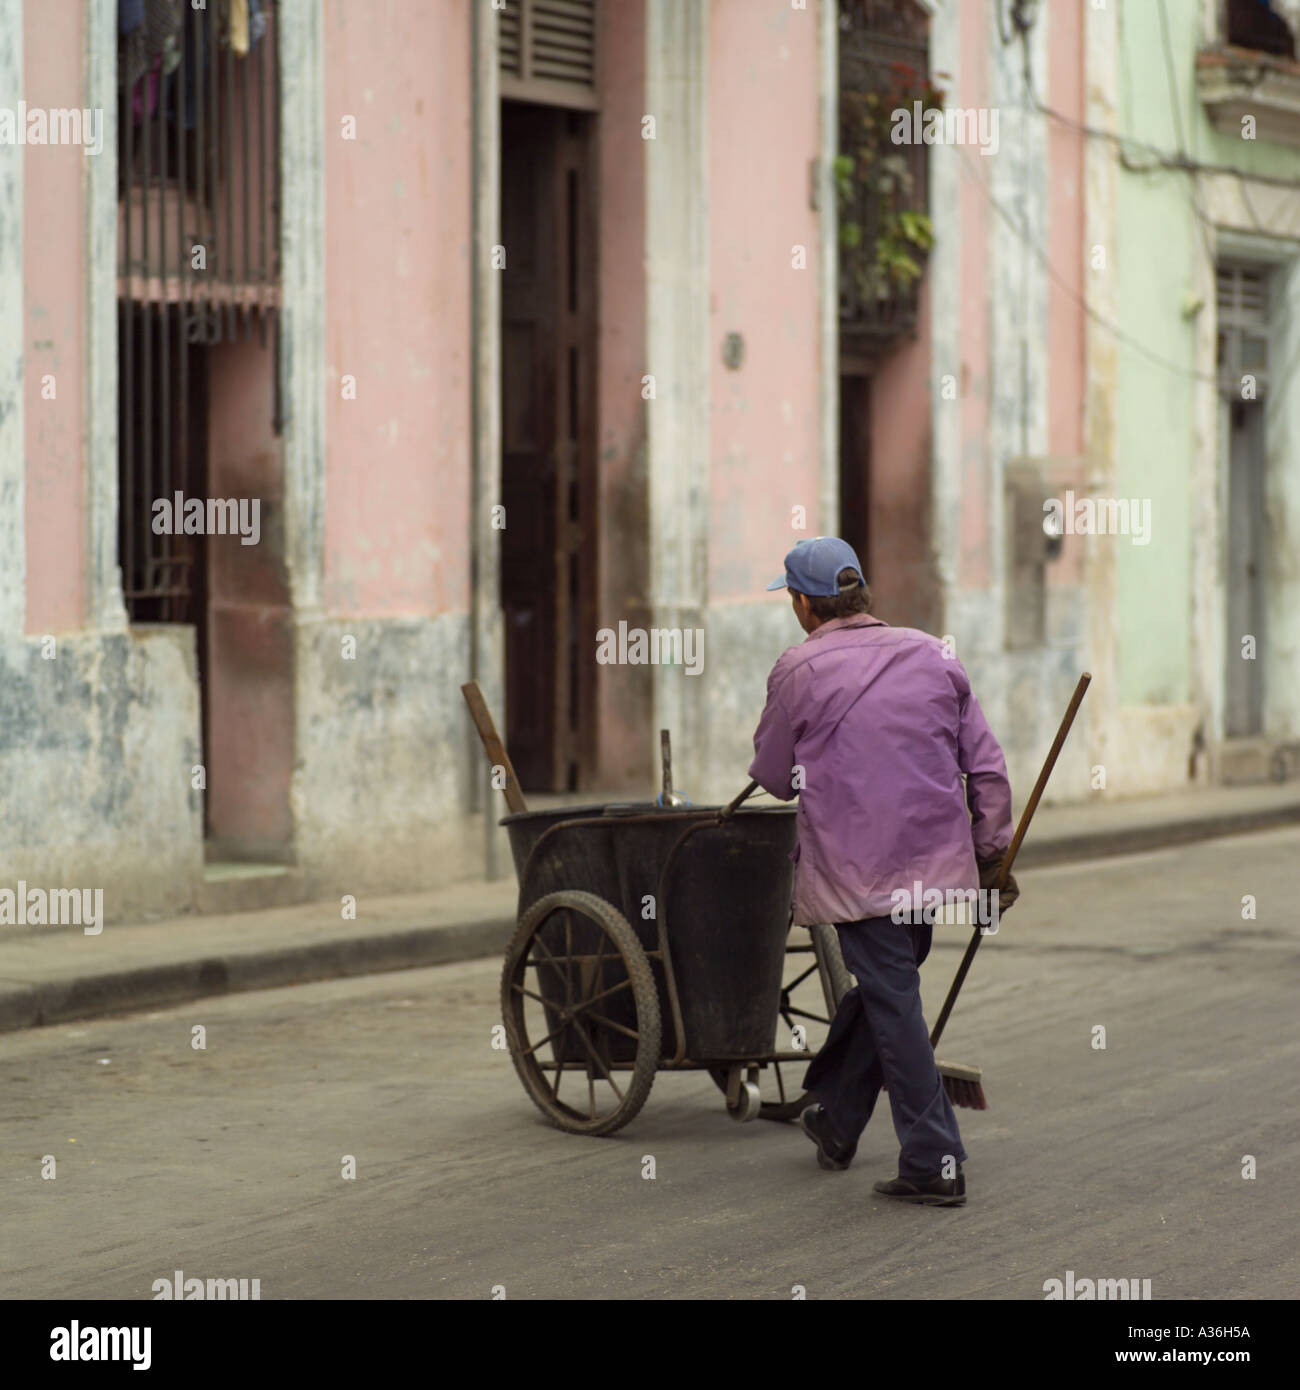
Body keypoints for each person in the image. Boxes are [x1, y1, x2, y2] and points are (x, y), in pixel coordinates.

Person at [748, 536, 1017, 1207]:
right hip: (931, 866)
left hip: (857, 873)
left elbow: (776, 779)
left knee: (892, 1001)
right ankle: (837, 1120)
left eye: (793, 600)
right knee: (884, 991)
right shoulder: (933, 655)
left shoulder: (798, 669)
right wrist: (994, 854)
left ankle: (935, 1159)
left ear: (806, 604)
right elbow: (985, 765)